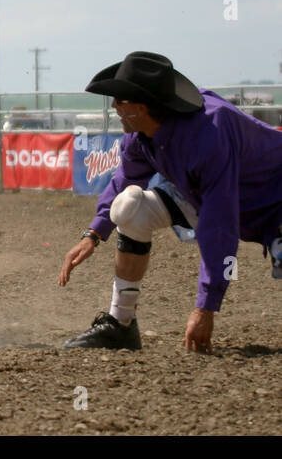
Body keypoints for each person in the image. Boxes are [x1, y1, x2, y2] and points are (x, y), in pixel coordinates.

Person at [58, 51, 282, 353]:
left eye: (121, 100)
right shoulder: (140, 137)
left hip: (273, 198)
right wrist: (93, 234)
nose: (114, 106)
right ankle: (120, 324)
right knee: (130, 209)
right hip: (209, 196)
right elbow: (124, 180)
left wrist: (205, 308)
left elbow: (219, 227)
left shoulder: (209, 135)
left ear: (143, 105)